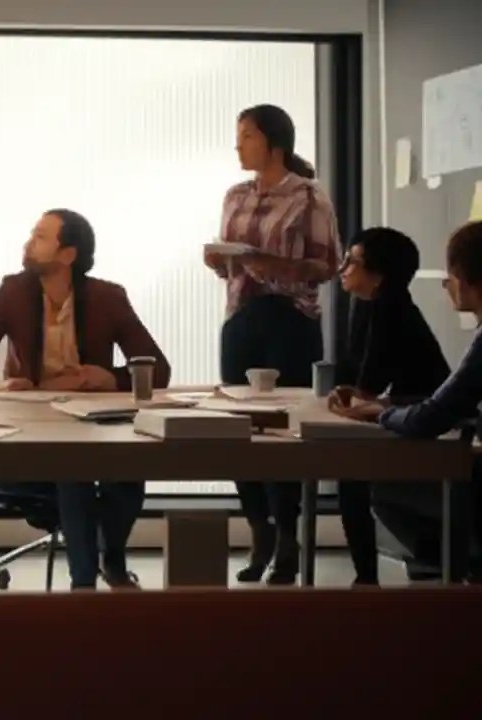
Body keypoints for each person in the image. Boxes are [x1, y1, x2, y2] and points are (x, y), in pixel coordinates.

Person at [0, 209, 170, 590]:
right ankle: (86, 586)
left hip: (93, 428)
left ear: (67, 255)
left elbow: (158, 369)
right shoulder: (14, 292)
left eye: (40, 237)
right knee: (71, 473)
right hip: (27, 433)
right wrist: (0, 384)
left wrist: (111, 378)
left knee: (127, 475)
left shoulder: (108, 298)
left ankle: (110, 561)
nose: (28, 243)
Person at [204, 104, 342, 585]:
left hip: (290, 320)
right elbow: (230, 265)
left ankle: (287, 535)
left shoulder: (309, 197)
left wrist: (269, 262)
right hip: (241, 319)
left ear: (273, 142)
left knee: (282, 431)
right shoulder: (235, 194)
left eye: (246, 136)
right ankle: (258, 529)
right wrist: (220, 260)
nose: (238, 145)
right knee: (237, 429)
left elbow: (326, 267)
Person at [338, 220, 482, 581]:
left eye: (451, 274)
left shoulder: (394, 311)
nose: (446, 283)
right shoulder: (368, 308)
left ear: (468, 278)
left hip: (459, 457)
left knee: (379, 490)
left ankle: (447, 575)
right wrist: (385, 408)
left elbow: (428, 417)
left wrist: (380, 414)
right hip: (448, 430)